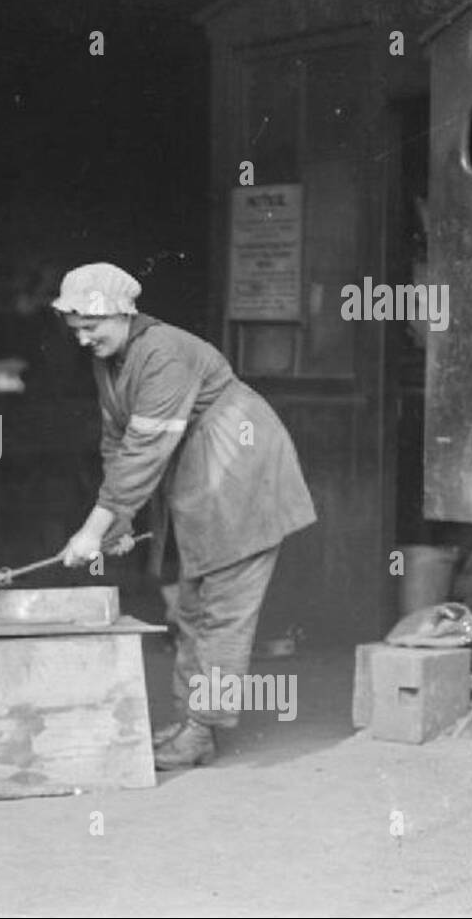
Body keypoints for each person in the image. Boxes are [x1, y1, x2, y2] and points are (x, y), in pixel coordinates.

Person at [53, 263, 315, 770]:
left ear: (124, 314)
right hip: (199, 465)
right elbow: (117, 441)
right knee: (192, 604)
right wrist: (119, 523)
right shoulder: (109, 358)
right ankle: (193, 721)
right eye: (76, 329)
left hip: (239, 461)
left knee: (222, 604)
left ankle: (201, 730)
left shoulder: (164, 352)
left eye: (92, 326)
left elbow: (145, 448)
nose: (84, 339)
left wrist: (92, 528)